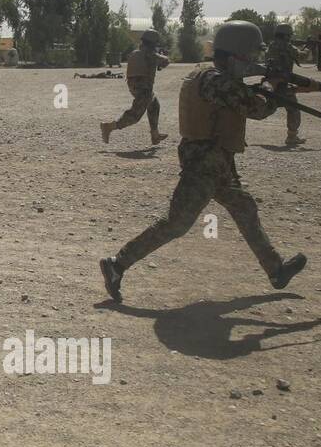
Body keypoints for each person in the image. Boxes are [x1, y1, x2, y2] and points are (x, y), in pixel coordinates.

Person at [100, 21, 307, 303]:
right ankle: (117, 264)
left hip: (218, 163)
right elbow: (255, 108)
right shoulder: (215, 80)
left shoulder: (211, 74)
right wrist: (273, 86)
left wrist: (268, 80)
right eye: (250, 57)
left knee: (244, 207)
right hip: (204, 166)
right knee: (177, 224)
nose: (252, 63)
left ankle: (276, 270)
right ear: (236, 54)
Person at [100, 29, 169, 146]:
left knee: (154, 105)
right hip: (144, 88)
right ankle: (109, 127)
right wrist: (163, 55)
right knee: (134, 115)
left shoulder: (137, 52)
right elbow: (165, 61)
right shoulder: (150, 54)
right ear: (152, 43)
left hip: (136, 86)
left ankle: (155, 134)